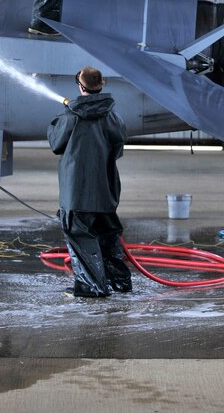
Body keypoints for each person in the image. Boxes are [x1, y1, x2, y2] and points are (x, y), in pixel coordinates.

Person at [47, 65, 132, 298]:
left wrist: (59, 120)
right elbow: (117, 149)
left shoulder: (70, 116)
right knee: (107, 237)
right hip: (105, 190)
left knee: (82, 237)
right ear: (101, 85)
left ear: (79, 86)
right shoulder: (114, 116)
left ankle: (92, 286)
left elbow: (56, 144)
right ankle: (120, 282)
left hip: (77, 192)